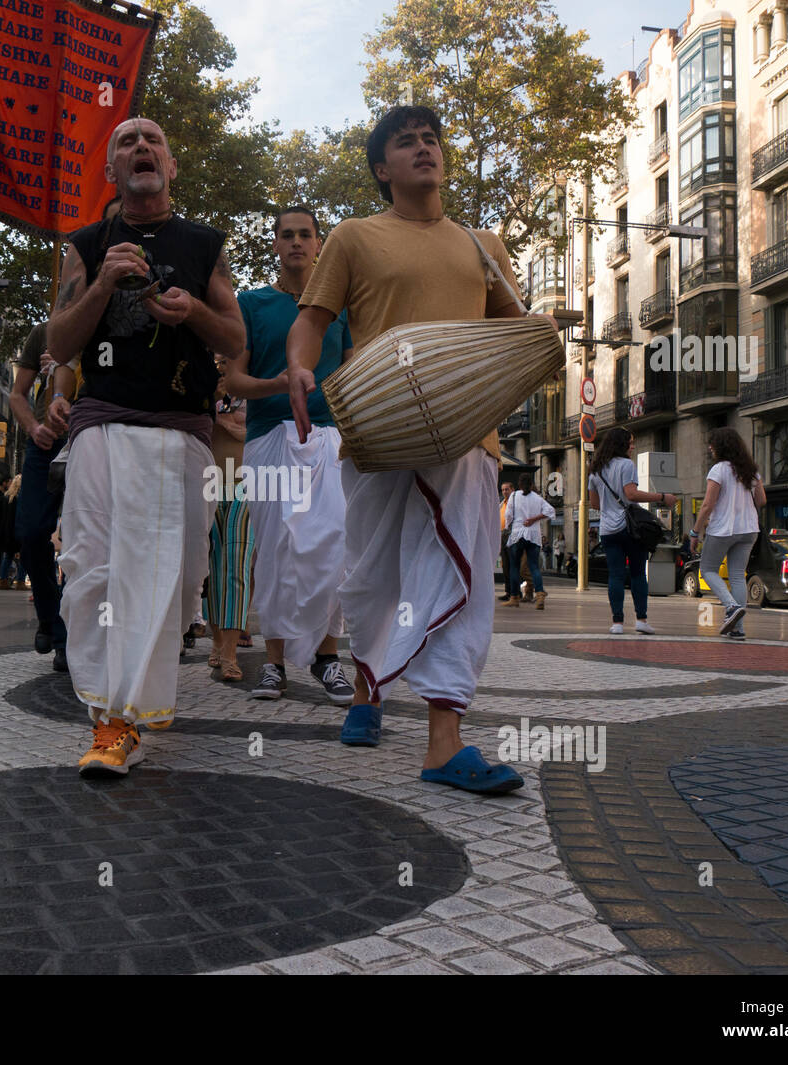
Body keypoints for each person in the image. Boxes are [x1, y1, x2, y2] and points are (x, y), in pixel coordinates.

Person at [286, 105, 543, 795]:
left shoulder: (483, 242)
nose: (425, 148)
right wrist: (300, 368)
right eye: (407, 142)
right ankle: (369, 689)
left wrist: (543, 332)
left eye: (432, 139)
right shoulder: (353, 236)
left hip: (465, 435)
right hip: (377, 427)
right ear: (382, 168)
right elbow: (311, 322)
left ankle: (443, 739)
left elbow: (513, 333)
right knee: (373, 577)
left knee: (456, 575)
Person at [46, 116, 245, 776]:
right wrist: (103, 284)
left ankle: (136, 706)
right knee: (95, 567)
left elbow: (235, 340)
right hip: (101, 422)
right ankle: (111, 722)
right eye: (126, 141)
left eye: (153, 138)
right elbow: (60, 346)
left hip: (181, 429)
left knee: (176, 576)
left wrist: (193, 313)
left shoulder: (203, 244)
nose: (140, 147)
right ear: (112, 171)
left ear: (171, 165)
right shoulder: (84, 244)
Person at [222, 204, 355, 704]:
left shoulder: (339, 307)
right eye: (286, 234)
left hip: (328, 437)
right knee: (276, 548)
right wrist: (279, 382)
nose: (296, 242)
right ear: (274, 244)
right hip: (268, 436)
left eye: (305, 234)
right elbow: (232, 379)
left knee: (332, 548)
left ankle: (326, 657)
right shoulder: (251, 304)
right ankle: (274, 664)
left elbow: (350, 373)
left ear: (319, 244)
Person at [10, 322, 69, 666]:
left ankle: (65, 634)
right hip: (44, 443)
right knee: (31, 533)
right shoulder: (43, 332)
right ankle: (49, 614)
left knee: (80, 538)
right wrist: (33, 427)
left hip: (89, 436)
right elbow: (17, 394)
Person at [587, 427, 676, 635]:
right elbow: (632, 494)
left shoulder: (595, 469)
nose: (633, 446)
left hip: (608, 530)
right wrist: (662, 497)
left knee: (615, 576)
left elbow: (594, 503)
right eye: (630, 443)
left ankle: (617, 623)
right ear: (621, 444)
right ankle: (641, 620)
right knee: (637, 574)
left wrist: (611, 507)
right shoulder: (626, 465)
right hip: (630, 529)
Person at [689, 429, 765, 640]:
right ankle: (738, 629)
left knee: (707, 569)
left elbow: (707, 505)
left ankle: (731, 606)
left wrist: (695, 531)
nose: (710, 448)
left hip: (723, 528)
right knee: (738, 575)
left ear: (721, 446)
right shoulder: (750, 471)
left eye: (712, 444)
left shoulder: (718, 470)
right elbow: (762, 501)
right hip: (749, 528)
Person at [202, 380, 254, 682]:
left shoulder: (254, 389)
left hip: (247, 485)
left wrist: (233, 427)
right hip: (207, 484)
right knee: (209, 568)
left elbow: (267, 430)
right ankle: (218, 640)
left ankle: (231, 653)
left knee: (237, 565)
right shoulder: (203, 389)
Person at [504, 473, 555, 609]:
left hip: (518, 534)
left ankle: (514, 597)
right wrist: (534, 519)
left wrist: (508, 525)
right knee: (534, 567)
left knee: (514, 566)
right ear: (531, 484)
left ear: (519, 484)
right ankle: (539, 595)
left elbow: (508, 515)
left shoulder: (514, 496)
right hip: (533, 535)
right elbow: (550, 511)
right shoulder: (537, 498)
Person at [497, 481, 516, 601]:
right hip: (502, 535)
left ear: (512, 490)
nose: (504, 492)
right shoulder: (502, 503)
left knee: (512, 565)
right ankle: (508, 591)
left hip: (511, 535)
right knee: (505, 565)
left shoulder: (515, 502)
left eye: (507, 489)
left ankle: (514, 592)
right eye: (503, 489)